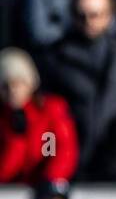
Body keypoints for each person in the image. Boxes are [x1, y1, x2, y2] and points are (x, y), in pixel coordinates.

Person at [36, 0, 116, 172]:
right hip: (74, 162)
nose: (88, 21)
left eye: (96, 14)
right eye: (81, 15)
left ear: (110, 15)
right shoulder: (55, 58)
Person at [0, 48, 79, 184]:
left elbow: (63, 149)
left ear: (30, 83)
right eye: (6, 85)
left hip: (47, 189)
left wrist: (50, 181)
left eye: (18, 83)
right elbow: (4, 171)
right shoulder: (4, 120)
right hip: (12, 195)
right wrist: (16, 140)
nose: (13, 90)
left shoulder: (50, 110)